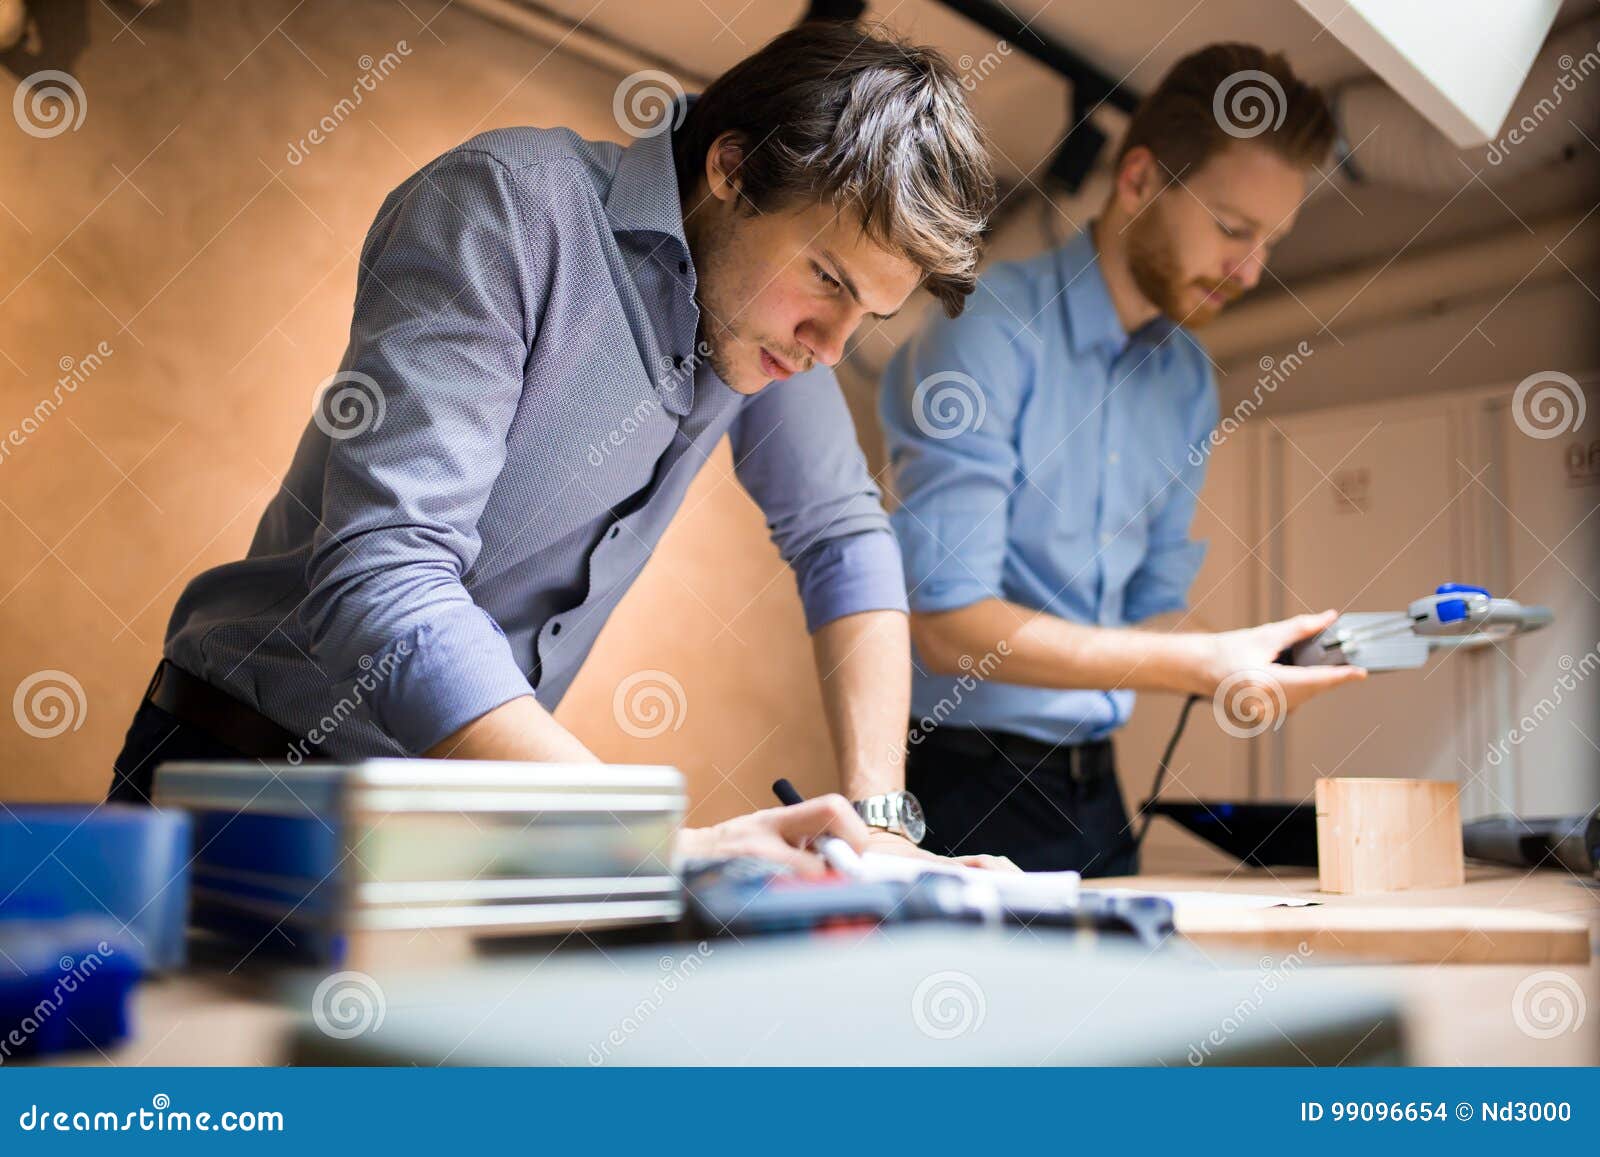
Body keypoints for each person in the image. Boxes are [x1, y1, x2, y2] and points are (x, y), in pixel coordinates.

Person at [110, 21, 1002, 875]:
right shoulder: (506, 207)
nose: (833, 347)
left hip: (455, 826)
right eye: (827, 279)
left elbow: (842, 537)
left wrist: (880, 821)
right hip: (248, 783)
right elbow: (387, 577)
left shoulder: (770, 328)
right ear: (732, 168)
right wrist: (643, 839)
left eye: (869, 317)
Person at [879, 43, 1367, 875]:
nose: (1250, 270)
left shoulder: (1187, 383)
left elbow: (1152, 610)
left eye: (1271, 242)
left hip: (1097, 790)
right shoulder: (989, 330)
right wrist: (1200, 666)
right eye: (1233, 228)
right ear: (1139, 180)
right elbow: (949, 629)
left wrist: (1261, 652)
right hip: (967, 780)